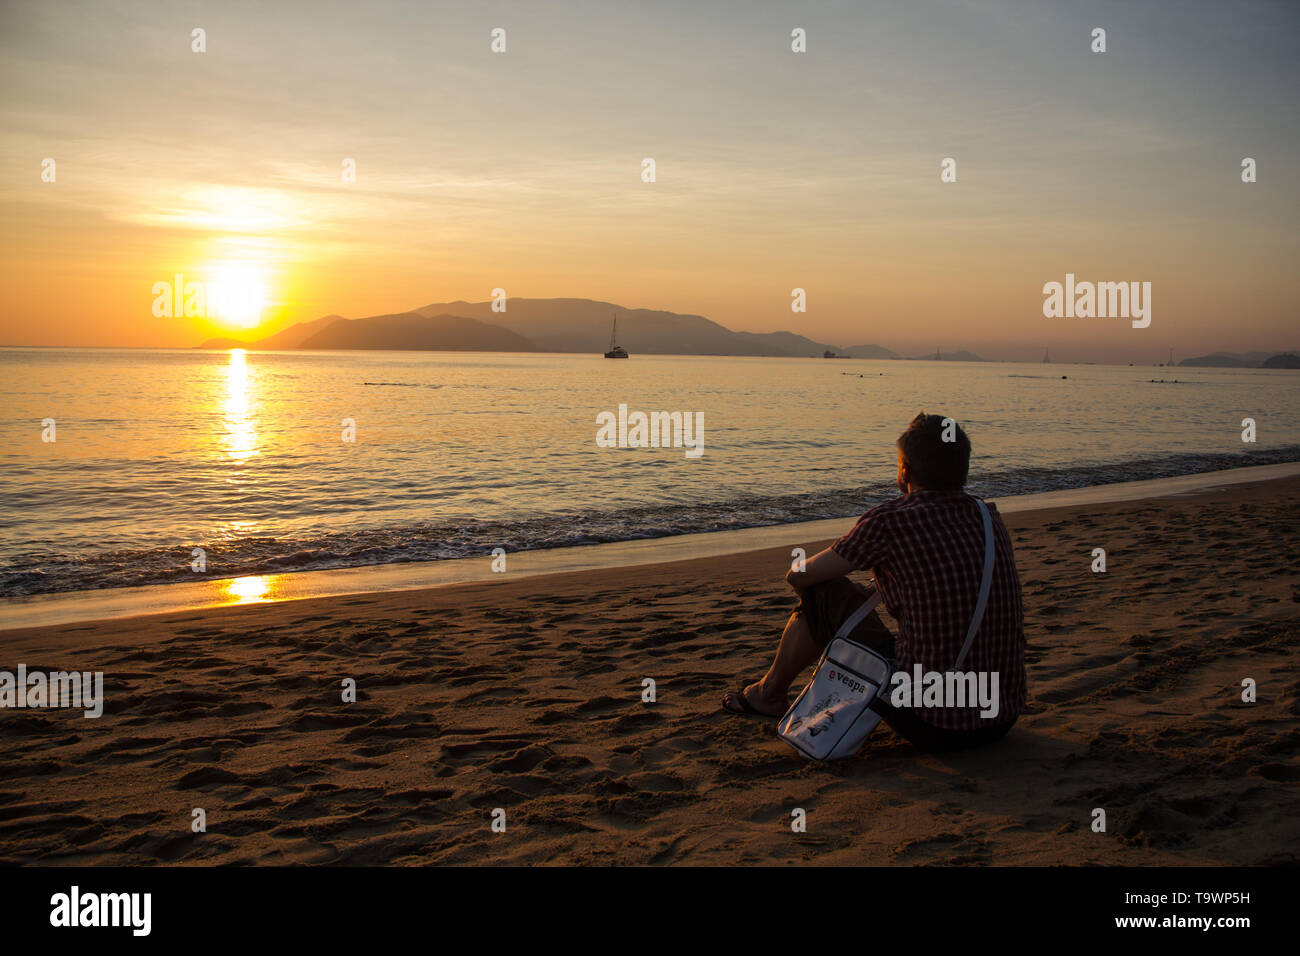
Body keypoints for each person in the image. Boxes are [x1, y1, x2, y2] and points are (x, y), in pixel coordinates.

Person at [722, 413, 1026, 752]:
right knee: (849, 595)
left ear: (905, 470)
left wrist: (847, 592)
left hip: (933, 721)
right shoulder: (988, 517)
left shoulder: (891, 520)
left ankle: (768, 694)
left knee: (822, 591)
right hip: (1000, 718)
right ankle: (769, 692)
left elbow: (799, 575)